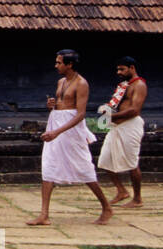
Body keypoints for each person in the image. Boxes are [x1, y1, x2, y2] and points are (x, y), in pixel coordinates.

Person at [28, 49, 112, 226]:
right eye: (56, 62)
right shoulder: (61, 81)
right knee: (48, 164)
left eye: (59, 62)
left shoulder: (81, 83)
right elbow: (61, 105)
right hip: (56, 122)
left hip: (71, 129)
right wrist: (52, 105)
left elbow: (80, 114)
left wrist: (57, 132)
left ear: (70, 64)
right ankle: (44, 214)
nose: (56, 65)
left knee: (83, 167)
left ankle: (106, 206)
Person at [98, 56, 148, 209]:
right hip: (117, 126)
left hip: (131, 126)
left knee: (132, 163)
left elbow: (134, 110)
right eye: (117, 69)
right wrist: (107, 110)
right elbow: (120, 105)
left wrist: (110, 116)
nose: (118, 72)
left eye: (122, 69)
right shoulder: (124, 86)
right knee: (105, 160)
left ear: (132, 68)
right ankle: (121, 191)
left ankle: (138, 199)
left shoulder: (139, 85)